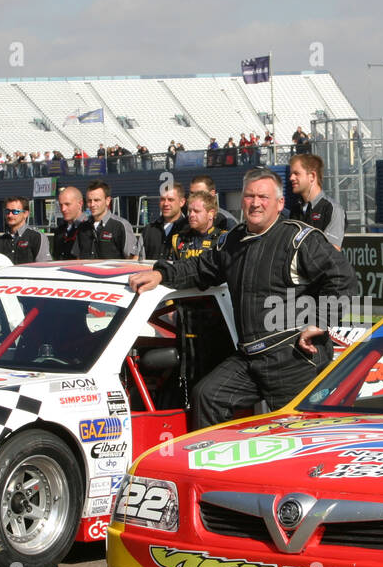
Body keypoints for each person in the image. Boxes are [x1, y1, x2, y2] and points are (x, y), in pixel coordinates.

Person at [127, 167, 356, 428]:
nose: (255, 203)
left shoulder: (300, 238)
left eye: (263, 197)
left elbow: (344, 279)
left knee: (296, 437)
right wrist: (160, 275)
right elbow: (200, 268)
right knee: (208, 396)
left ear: (280, 203)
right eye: (249, 196)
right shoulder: (233, 240)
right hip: (249, 358)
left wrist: (320, 320)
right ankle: (211, 468)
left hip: (294, 358)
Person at [287, 153, 344, 249]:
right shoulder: (295, 209)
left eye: (296, 173)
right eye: (291, 174)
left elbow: (332, 254)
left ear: (312, 176)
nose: (291, 178)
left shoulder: (332, 208)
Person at [85, 181, 137, 260]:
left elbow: (133, 258)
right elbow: (78, 259)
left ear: (108, 201)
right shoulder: (83, 227)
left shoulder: (121, 226)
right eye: (89, 201)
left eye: (97, 200)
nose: (92, 204)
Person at [140, 183, 189, 261]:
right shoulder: (149, 230)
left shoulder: (189, 230)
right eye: (162, 199)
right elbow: (137, 260)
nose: (166, 204)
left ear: (182, 202)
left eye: (171, 200)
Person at [0, 196, 49, 264]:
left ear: (25, 214)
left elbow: (44, 266)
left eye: (15, 211)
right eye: (7, 211)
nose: (10, 215)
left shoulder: (37, 237)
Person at [173, 191, 224, 259]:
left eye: (196, 211)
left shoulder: (223, 239)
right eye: (190, 211)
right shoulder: (178, 239)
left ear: (211, 214)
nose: (191, 215)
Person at [51, 186, 95, 260]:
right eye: (61, 205)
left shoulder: (90, 229)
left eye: (67, 204)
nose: (63, 209)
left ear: (80, 204)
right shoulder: (59, 231)